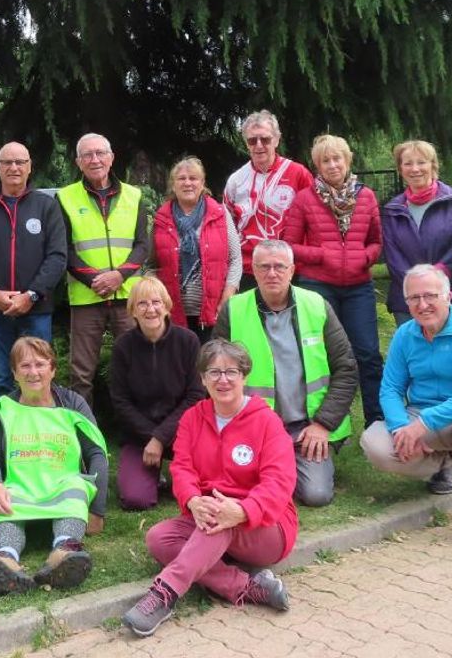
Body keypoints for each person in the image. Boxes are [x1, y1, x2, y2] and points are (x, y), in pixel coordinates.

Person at [122, 339, 296, 638]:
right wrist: (191, 500)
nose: (223, 380)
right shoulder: (193, 418)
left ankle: (164, 593)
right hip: (209, 515)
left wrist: (241, 510)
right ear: (202, 379)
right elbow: (182, 467)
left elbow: (279, 482)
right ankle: (247, 588)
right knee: (159, 539)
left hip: (267, 527)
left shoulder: (267, 421)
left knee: (216, 518)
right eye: (213, 372)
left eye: (231, 372)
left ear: (244, 376)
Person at [360, 265, 452, 553]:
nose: (423, 304)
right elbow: (390, 388)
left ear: (449, 296)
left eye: (430, 295)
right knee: (374, 442)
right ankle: (446, 464)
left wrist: (424, 424)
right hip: (421, 418)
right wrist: (400, 427)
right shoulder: (405, 334)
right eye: (414, 298)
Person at [213, 240, 357, 507]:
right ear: (253, 271)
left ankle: (288, 465)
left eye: (279, 266)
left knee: (316, 495)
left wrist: (323, 424)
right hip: (254, 427)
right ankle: (276, 468)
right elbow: (215, 374)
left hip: (307, 428)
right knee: (238, 488)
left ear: (292, 270)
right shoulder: (233, 310)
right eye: (264, 267)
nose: (272, 273)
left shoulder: (316, 305)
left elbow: (346, 368)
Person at [0, 337, 109, 595]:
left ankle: (64, 554)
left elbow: (97, 453)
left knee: (76, 488)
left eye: (40, 364)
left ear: (53, 369)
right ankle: (5, 560)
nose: (33, 372)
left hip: (62, 485)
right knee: (6, 501)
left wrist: (97, 510)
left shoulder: (72, 403)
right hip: (20, 486)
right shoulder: (5, 407)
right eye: (25, 366)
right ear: (14, 373)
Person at [281, 134, 384, 427]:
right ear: (317, 165)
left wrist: (363, 257)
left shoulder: (366, 196)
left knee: (367, 353)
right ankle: (326, 422)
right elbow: (289, 246)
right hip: (318, 285)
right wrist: (323, 254)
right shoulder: (305, 198)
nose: (332, 164)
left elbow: (377, 241)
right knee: (321, 355)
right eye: (325, 160)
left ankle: (375, 419)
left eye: (337, 158)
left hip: (358, 287)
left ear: (347, 160)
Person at [0, 142, 68, 401]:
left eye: (20, 162)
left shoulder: (46, 206)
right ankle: (4, 438)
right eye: (7, 162)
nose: (14, 167)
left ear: (30, 167)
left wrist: (31, 295)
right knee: (0, 379)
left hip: (37, 309)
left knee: (40, 377)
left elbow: (57, 256)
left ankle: (41, 435)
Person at [56, 133, 150, 404]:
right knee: (81, 373)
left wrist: (119, 275)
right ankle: (84, 434)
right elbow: (63, 249)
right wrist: (96, 280)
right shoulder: (64, 197)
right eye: (87, 155)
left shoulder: (134, 195)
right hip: (87, 296)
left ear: (111, 157)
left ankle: (135, 432)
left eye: (100, 153)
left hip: (128, 297)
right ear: (78, 162)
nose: (94, 159)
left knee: (136, 367)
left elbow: (143, 245)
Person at [110, 277, 206, 510]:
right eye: (142, 304)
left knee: (209, 487)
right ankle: (153, 476)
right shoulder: (123, 346)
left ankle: (169, 471)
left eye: (156, 302)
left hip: (183, 431)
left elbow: (195, 395)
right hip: (139, 435)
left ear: (166, 306)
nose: (150, 309)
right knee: (136, 500)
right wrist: (151, 438)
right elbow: (120, 401)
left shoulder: (188, 341)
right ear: (132, 310)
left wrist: (160, 438)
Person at [380, 140, 452, 324]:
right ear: (400, 169)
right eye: (408, 163)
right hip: (408, 301)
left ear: (433, 165)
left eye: (421, 162)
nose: (415, 169)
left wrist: (436, 278)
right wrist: (416, 287)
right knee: (416, 352)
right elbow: (392, 254)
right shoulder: (392, 210)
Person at [154, 156, 242, 342]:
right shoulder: (161, 219)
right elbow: (150, 265)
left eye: (193, 178)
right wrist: (158, 302)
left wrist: (227, 298)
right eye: (182, 178)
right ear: (173, 184)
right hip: (172, 313)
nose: (188, 183)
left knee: (209, 366)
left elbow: (235, 259)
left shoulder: (220, 213)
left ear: (202, 183)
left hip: (213, 312)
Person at [222, 110, 313, 288]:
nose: (258, 145)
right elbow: (226, 227)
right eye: (252, 140)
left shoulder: (298, 174)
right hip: (249, 269)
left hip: (288, 267)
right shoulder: (235, 180)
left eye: (265, 139)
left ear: (276, 140)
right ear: (246, 143)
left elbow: (314, 220)